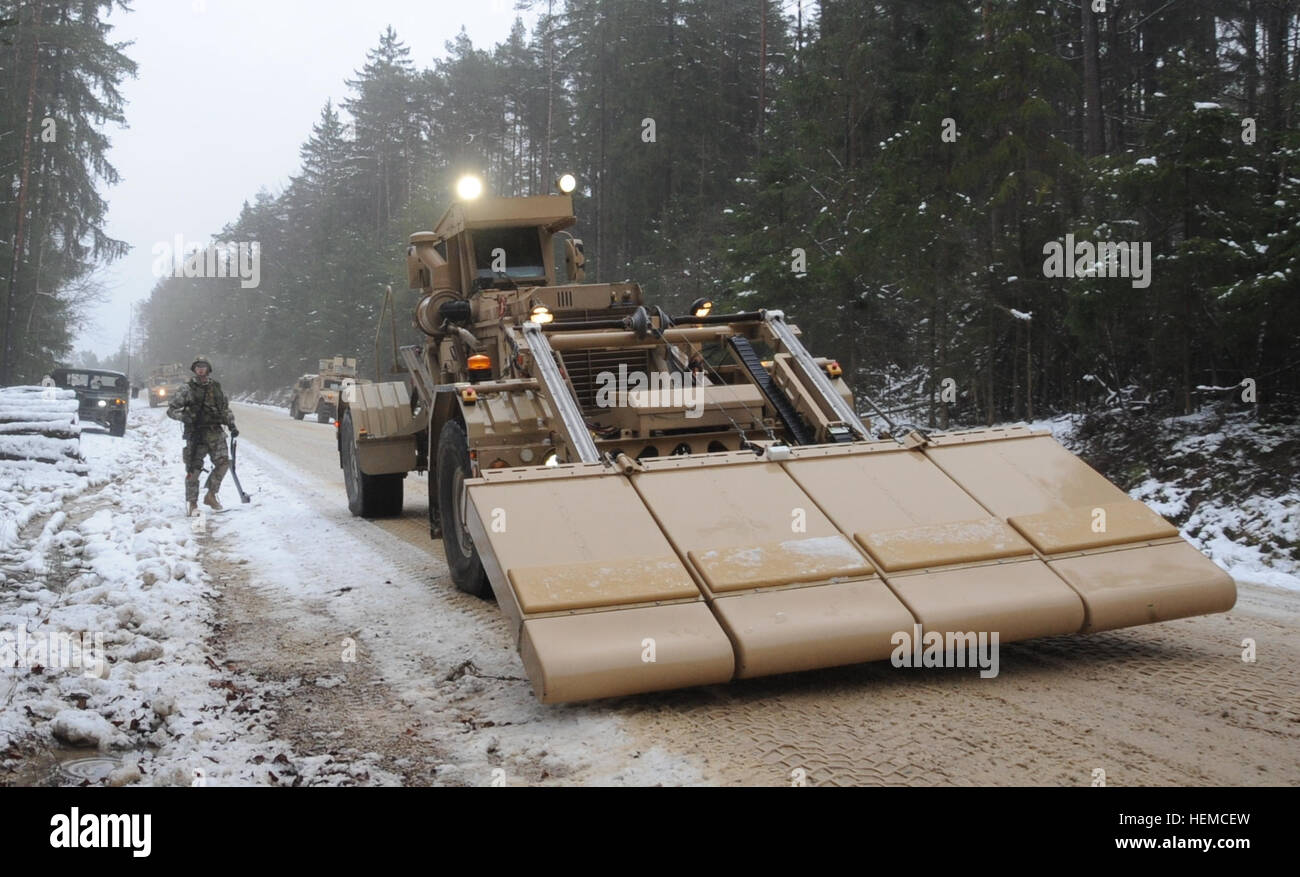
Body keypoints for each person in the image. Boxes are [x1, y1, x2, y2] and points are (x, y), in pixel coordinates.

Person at [166, 356, 238, 515]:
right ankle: (192, 504)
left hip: (215, 432)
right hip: (196, 434)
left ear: (208, 369)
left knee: (224, 463)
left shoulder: (216, 387)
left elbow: (225, 409)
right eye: (198, 366)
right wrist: (184, 417)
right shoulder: (187, 389)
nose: (200, 369)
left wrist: (231, 424)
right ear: (194, 369)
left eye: (203, 366)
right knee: (194, 469)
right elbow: (171, 410)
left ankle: (211, 495)